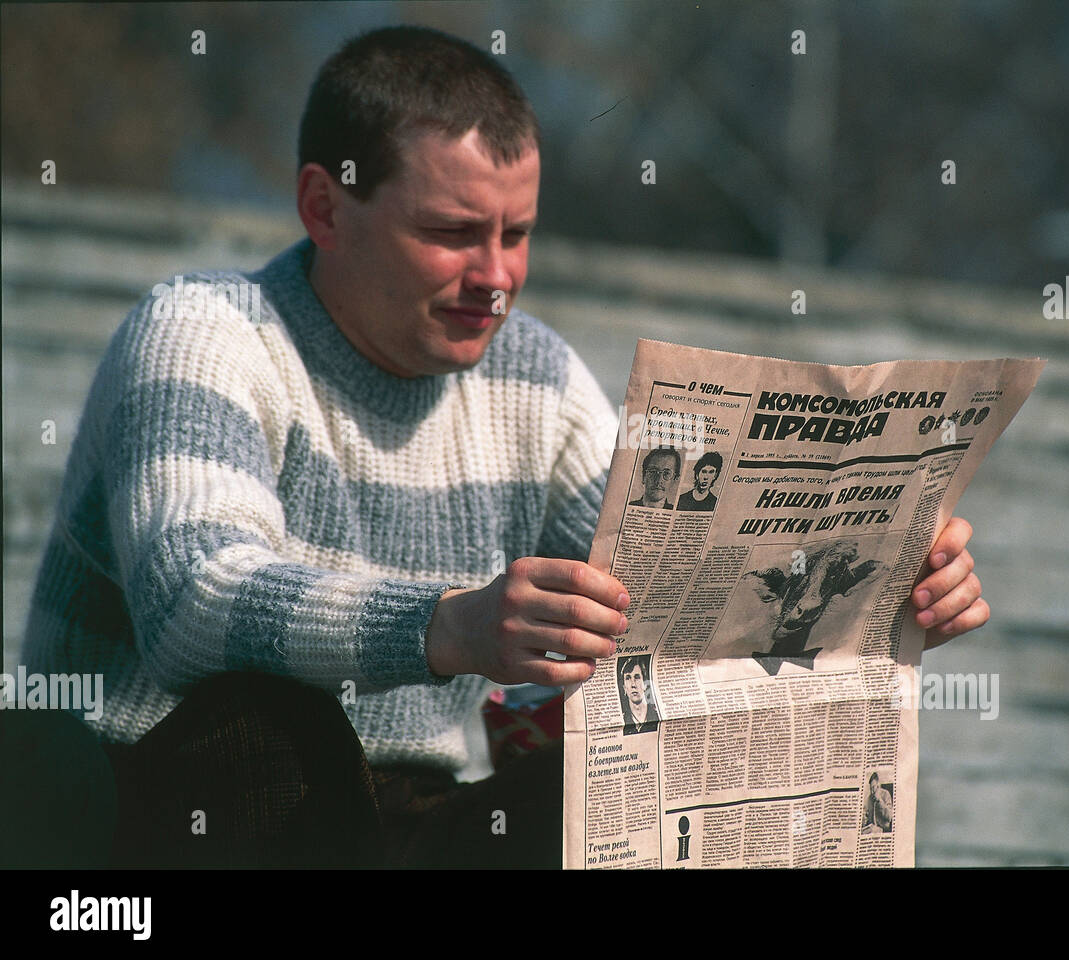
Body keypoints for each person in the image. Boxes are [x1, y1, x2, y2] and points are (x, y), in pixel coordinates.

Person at [14, 25, 991, 869]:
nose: (496, 277)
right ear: (324, 208)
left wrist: (867, 592)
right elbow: (195, 598)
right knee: (275, 728)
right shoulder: (206, 329)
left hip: (414, 822)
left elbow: (670, 599)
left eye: (515, 234)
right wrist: (448, 627)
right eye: (451, 233)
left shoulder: (534, 376)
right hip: (166, 807)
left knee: (654, 778)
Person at [618, 656, 659, 736]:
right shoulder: (621, 720)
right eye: (628, 678)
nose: (633, 684)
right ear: (624, 687)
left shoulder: (656, 715)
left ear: (645, 684)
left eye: (637, 677)